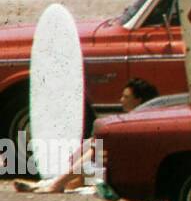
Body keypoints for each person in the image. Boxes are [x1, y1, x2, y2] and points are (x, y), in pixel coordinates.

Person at [15, 80, 159, 194]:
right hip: (109, 170)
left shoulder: (141, 121)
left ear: (138, 100)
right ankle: (54, 183)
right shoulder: (135, 119)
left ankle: (56, 184)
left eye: (126, 97)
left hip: (123, 173)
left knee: (96, 146)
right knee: (92, 146)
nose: (121, 100)